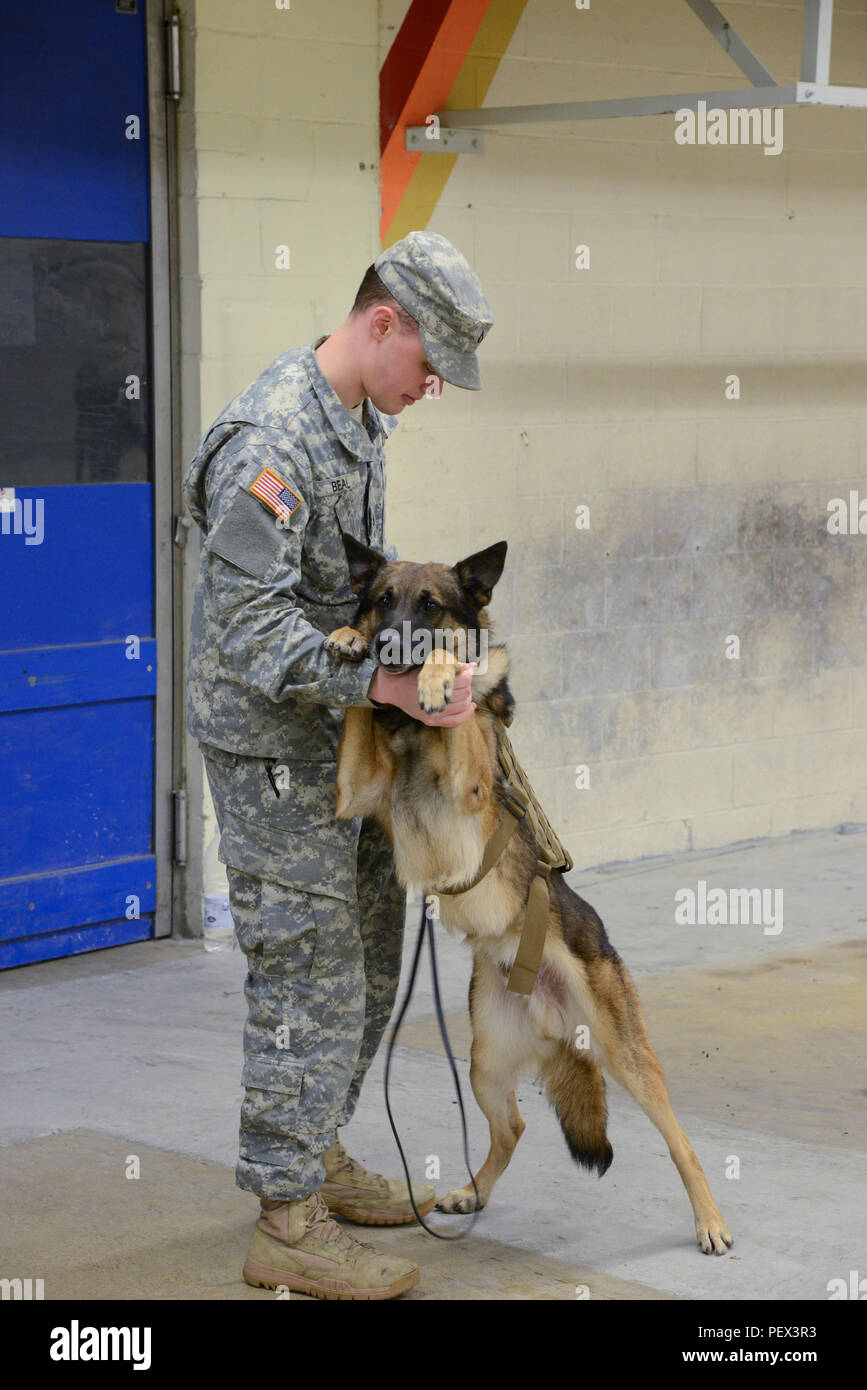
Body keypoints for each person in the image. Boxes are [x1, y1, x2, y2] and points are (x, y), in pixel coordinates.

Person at [182, 231, 495, 1300]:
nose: (433, 385)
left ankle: (316, 1151)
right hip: (270, 748)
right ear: (382, 323)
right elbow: (244, 633)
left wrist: (424, 652)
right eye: (430, 362)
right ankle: (285, 1220)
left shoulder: (360, 422)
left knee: (366, 948)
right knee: (307, 968)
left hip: (338, 738)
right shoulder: (272, 438)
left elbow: (348, 594)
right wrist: (381, 687)